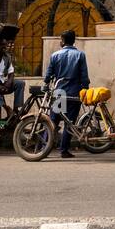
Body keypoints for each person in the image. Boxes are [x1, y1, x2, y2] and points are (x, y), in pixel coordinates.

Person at [44, 30, 90, 159]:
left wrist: (46, 84)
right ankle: (64, 150)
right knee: (70, 123)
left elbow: (48, 75)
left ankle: (43, 147)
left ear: (63, 41)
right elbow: (84, 76)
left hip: (59, 91)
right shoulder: (80, 55)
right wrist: (85, 88)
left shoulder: (55, 55)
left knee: (53, 121)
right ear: (73, 40)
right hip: (74, 93)